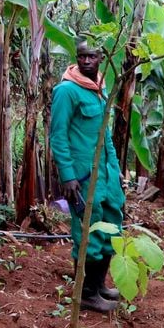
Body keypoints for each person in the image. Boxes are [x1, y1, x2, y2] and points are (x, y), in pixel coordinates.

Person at [49, 40, 125, 313]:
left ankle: (99, 285)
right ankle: (86, 294)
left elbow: (106, 136)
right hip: (83, 176)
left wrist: (116, 170)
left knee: (111, 227)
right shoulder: (66, 91)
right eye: (81, 57)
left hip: (106, 173)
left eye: (91, 56)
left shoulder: (100, 88)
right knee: (88, 232)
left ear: (101, 57)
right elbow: (58, 136)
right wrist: (67, 176)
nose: (86, 61)